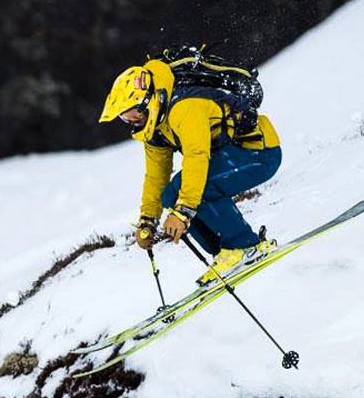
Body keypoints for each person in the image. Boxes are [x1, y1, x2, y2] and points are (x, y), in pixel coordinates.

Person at [98, 57, 282, 285]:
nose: (132, 121)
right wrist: (147, 220)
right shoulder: (155, 127)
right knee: (170, 195)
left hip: (258, 153)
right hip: (229, 156)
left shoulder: (184, 107)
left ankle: (245, 246)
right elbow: (156, 176)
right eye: (125, 118)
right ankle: (226, 254)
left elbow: (197, 157)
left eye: (134, 114)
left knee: (198, 187)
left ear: (148, 101)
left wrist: (182, 213)